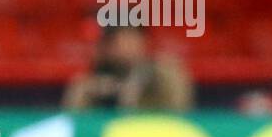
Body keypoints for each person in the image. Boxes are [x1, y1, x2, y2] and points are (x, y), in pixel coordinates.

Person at [63, 22, 193, 110]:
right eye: (120, 40)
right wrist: (92, 91)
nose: (128, 46)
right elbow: (74, 120)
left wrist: (135, 92)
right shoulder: (88, 82)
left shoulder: (164, 71)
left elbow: (180, 108)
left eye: (133, 38)